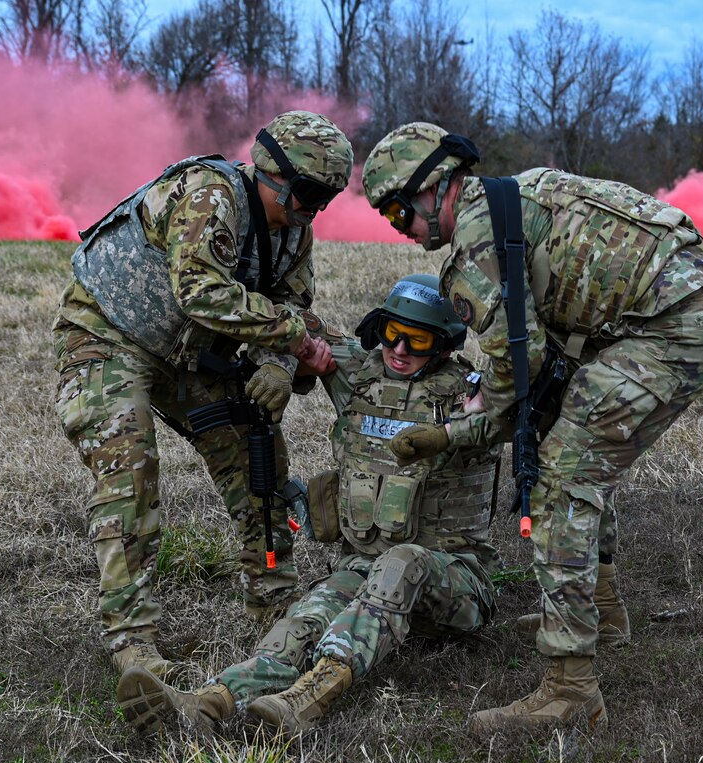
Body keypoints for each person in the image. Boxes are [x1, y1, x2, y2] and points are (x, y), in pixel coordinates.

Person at [361, 122, 703, 735]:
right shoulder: (516, 194)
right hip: (678, 312)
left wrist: (458, 430)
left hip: (669, 330)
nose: (400, 228)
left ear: (435, 189)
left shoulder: (475, 245)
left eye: (400, 211)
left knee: (561, 480)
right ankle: (604, 611)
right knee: (572, 443)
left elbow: (519, 368)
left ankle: (570, 689)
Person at [115, 275, 503, 735]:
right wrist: (290, 360)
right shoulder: (362, 375)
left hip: (453, 584)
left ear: (443, 344)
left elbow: (513, 407)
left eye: (416, 340)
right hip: (364, 572)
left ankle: (311, 695)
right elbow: (294, 325)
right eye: (390, 334)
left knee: (403, 560)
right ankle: (207, 703)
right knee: (304, 620)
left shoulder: (470, 395)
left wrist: (449, 432)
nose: (398, 350)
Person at [52, 110, 353, 682]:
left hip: (190, 355)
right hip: (108, 336)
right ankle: (132, 642)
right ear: (274, 171)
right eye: (309, 193)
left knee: (257, 456)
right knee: (129, 470)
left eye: (327, 198)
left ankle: (276, 611)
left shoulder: (294, 233)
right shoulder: (211, 194)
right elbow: (202, 292)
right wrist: (291, 341)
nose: (313, 209)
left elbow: (293, 306)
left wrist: (276, 363)